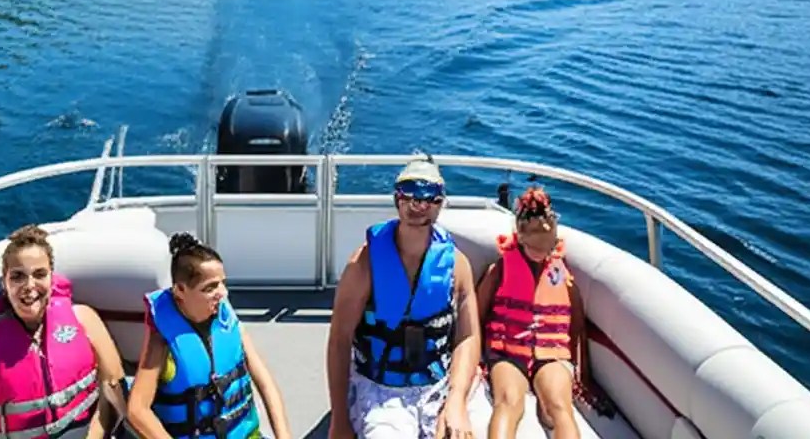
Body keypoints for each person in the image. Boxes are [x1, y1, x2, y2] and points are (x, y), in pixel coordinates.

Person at [327, 157, 481, 439]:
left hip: (438, 385)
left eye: (428, 198)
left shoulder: (457, 265)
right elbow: (339, 340)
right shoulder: (363, 265)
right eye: (407, 195)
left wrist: (456, 401)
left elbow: (468, 337)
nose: (417, 205)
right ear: (397, 199)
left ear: (440, 204)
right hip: (381, 389)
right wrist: (339, 420)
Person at [0, 224, 127, 439]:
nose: (29, 285)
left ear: (52, 278)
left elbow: (114, 389)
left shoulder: (84, 320)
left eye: (39, 274)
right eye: (17, 276)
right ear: (5, 283)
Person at [126, 233, 292, 439]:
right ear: (180, 290)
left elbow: (265, 382)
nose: (222, 293)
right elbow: (137, 410)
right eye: (210, 288)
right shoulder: (162, 340)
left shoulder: (226, 318)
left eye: (222, 283)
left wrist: (284, 435)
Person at [475, 187, 588, 439]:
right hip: (507, 352)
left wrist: (583, 373)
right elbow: (476, 314)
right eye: (534, 247)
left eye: (545, 248)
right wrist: (474, 360)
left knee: (559, 407)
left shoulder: (562, 273)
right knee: (508, 403)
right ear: (520, 236)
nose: (539, 253)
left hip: (552, 354)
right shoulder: (501, 269)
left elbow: (577, 325)